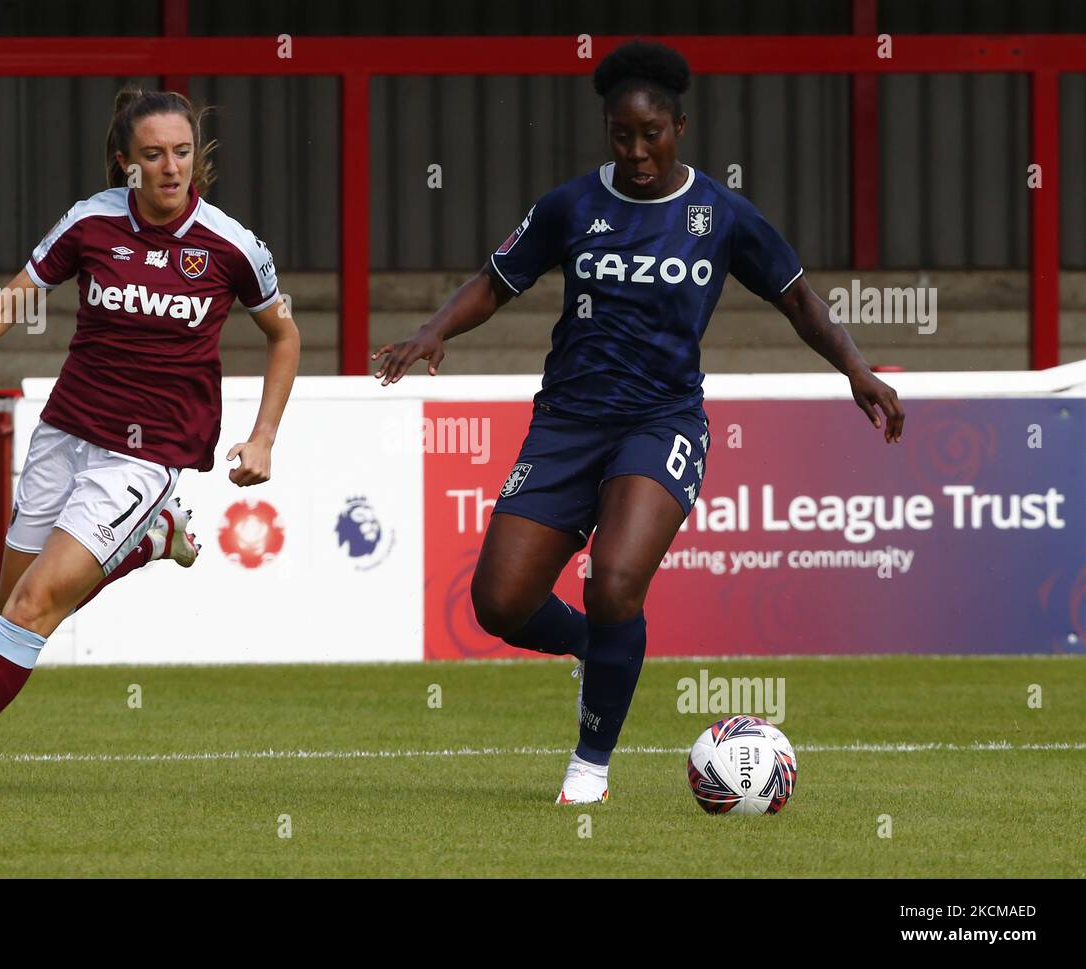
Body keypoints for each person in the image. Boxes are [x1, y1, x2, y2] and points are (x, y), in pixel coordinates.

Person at [372, 40, 903, 804]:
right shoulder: (572, 205)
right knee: (499, 603)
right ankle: (597, 649)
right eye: (622, 136)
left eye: (651, 134)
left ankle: (590, 766)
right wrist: (433, 332)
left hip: (662, 420)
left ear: (679, 128)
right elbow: (496, 281)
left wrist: (857, 366)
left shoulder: (720, 215)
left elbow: (799, 300)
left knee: (615, 580)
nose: (637, 151)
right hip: (566, 423)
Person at [0, 87, 301, 802]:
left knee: (32, 608)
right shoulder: (90, 223)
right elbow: (15, 297)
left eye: (181, 152)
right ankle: (152, 540)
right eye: (152, 154)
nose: (170, 167)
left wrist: (264, 436)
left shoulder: (230, 246)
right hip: (64, 431)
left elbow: (284, 334)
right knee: (14, 617)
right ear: (126, 163)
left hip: (145, 454)